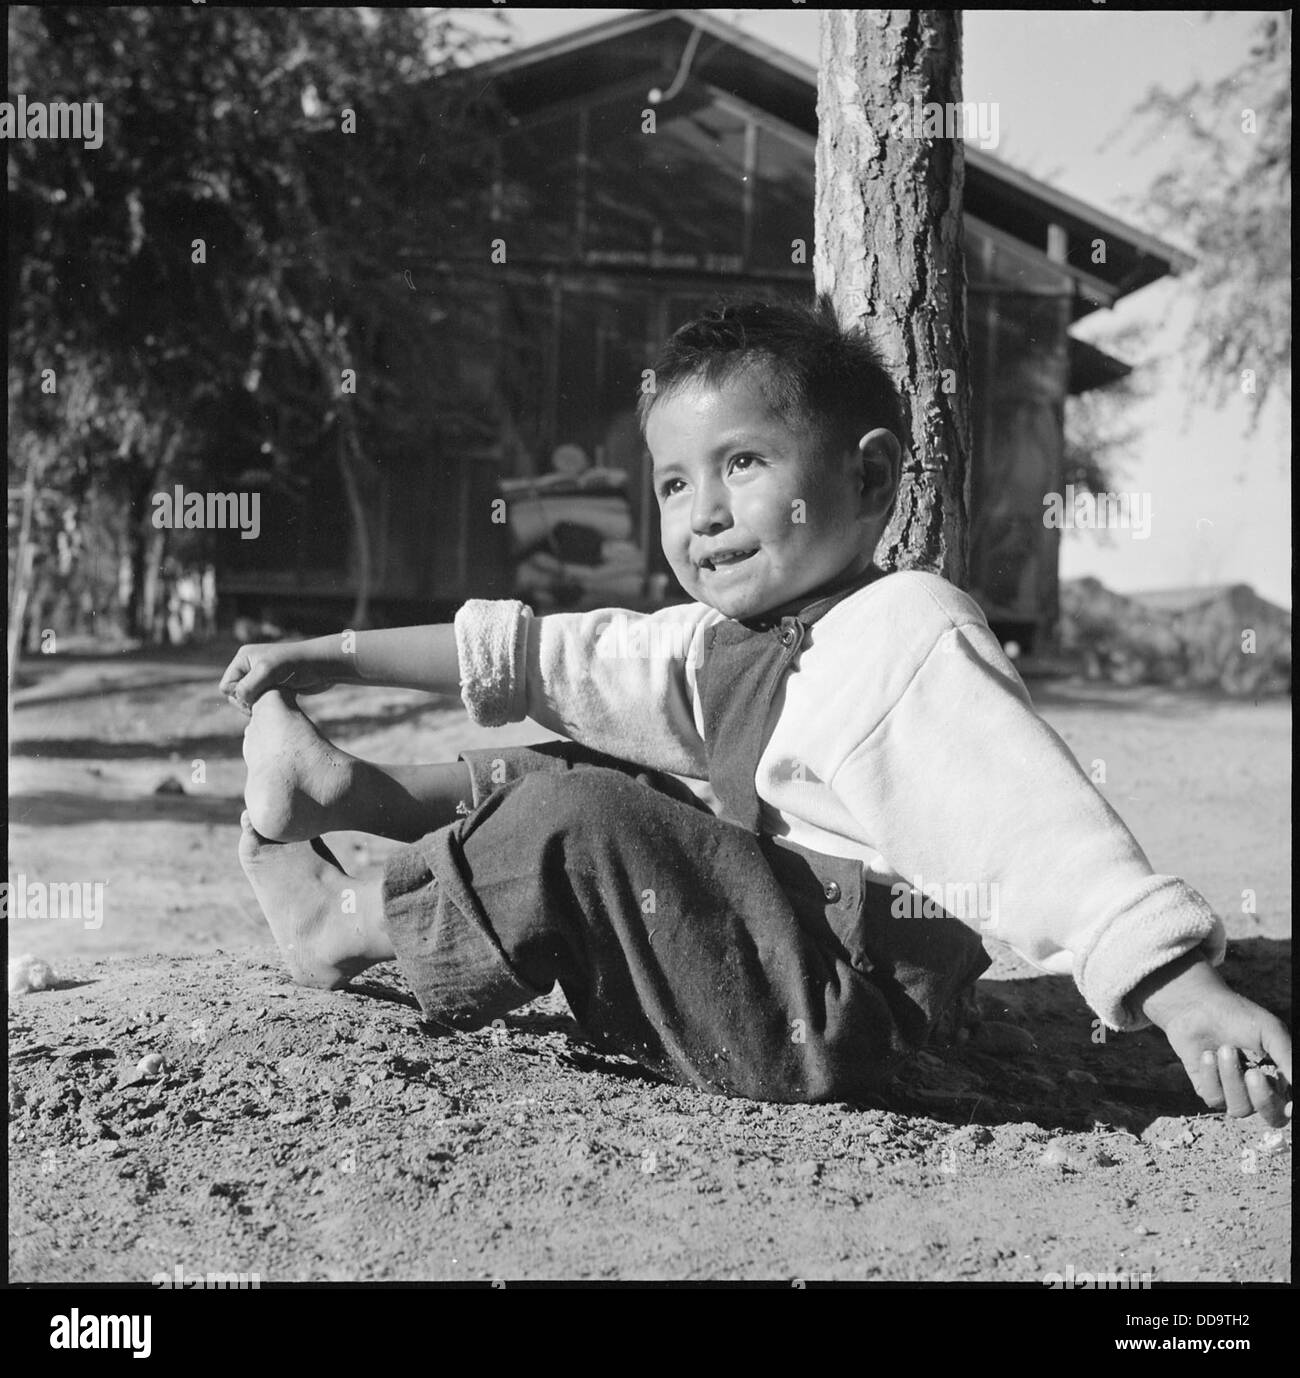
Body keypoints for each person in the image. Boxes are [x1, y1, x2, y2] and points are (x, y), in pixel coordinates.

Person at [219, 297, 1291, 1118]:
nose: (704, 513)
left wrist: (1178, 986)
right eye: (674, 483)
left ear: (870, 480)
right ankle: (353, 793)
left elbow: (1034, 827)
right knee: (584, 768)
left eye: (742, 463)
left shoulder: (906, 632)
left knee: (580, 820)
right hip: (752, 962)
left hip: (827, 1018)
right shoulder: (722, 643)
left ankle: (344, 926)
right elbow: (541, 656)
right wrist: (326, 657)